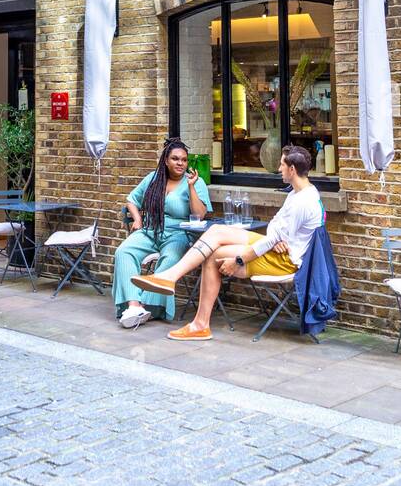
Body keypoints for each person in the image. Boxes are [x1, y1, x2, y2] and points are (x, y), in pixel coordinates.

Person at [131, 144, 323, 341]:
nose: (279, 169)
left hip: (284, 261)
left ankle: (200, 324)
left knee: (213, 255)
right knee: (216, 231)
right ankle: (170, 277)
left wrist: (238, 260)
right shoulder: (298, 193)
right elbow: (275, 225)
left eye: (282, 165)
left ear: (292, 169)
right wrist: (278, 239)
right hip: (275, 246)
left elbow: (273, 236)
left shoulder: (303, 202)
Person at [112, 139, 212, 328]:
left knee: (170, 259)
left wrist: (191, 186)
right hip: (150, 229)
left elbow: (199, 215)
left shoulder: (196, 182)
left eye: (184, 159)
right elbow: (131, 200)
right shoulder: (154, 178)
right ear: (166, 160)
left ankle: (148, 306)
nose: (180, 163)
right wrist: (138, 220)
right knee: (123, 252)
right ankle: (133, 305)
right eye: (175, 158)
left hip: (179, 234)